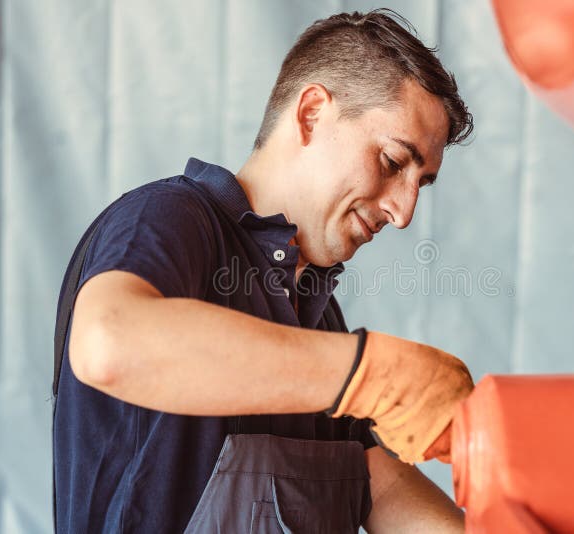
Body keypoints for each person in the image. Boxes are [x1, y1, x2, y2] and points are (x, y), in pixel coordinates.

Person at [54, 9, 475, 533]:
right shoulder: (171, 219)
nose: (404, 212)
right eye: (392, 162)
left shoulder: (319, 315)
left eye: (421, 182)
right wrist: (369, 373)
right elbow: (107, 342)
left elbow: (372, 479)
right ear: (312, 114)